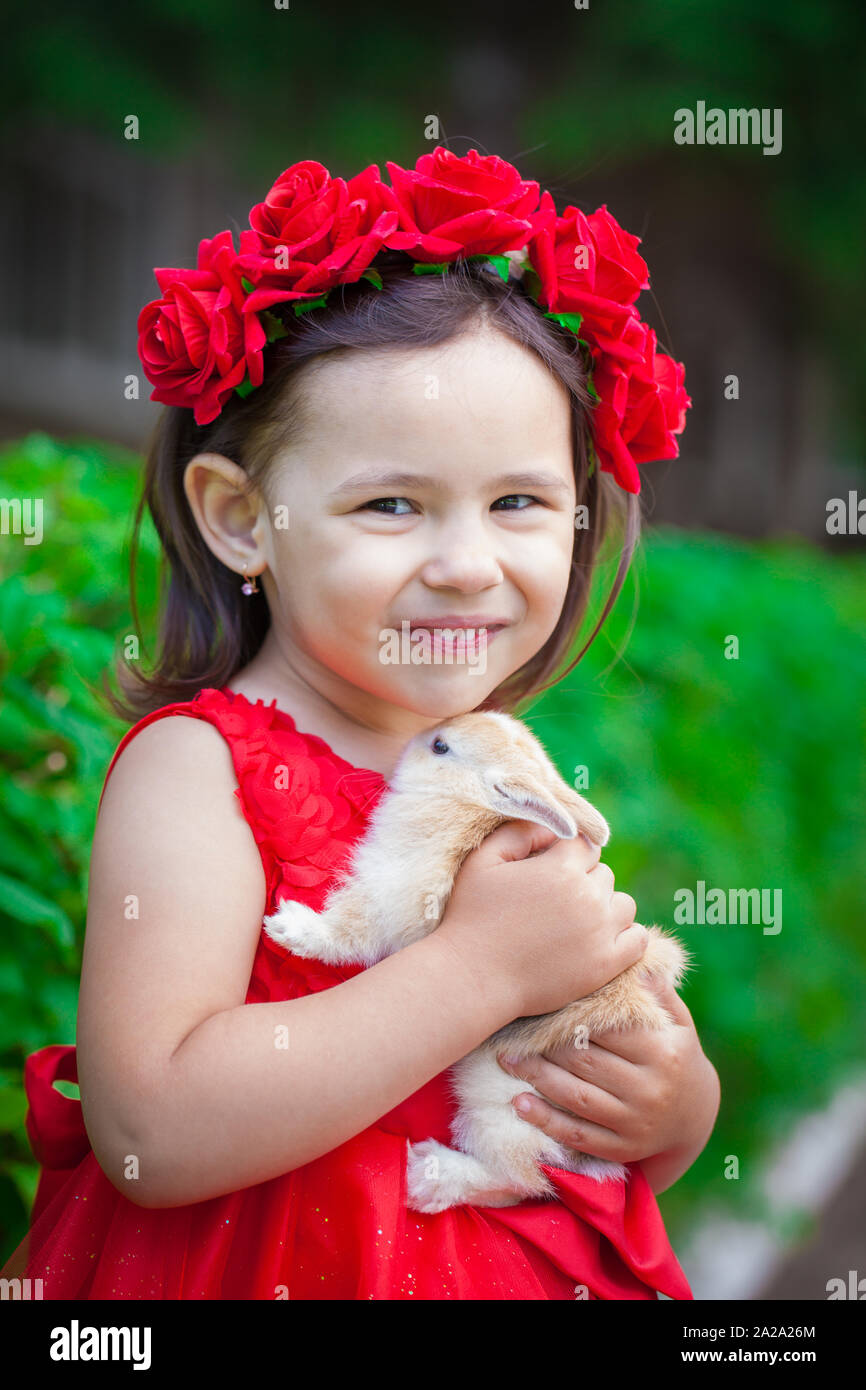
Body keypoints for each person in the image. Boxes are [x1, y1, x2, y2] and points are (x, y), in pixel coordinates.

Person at [1, 147, 717, 1299]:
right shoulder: (201, 769)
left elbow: (585, 1133)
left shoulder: (498, 768)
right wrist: (476, 970)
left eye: (518, 502)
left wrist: (671, 1107)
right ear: (242, 518)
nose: (465, 564)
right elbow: (151, 1134)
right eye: (391, 503)